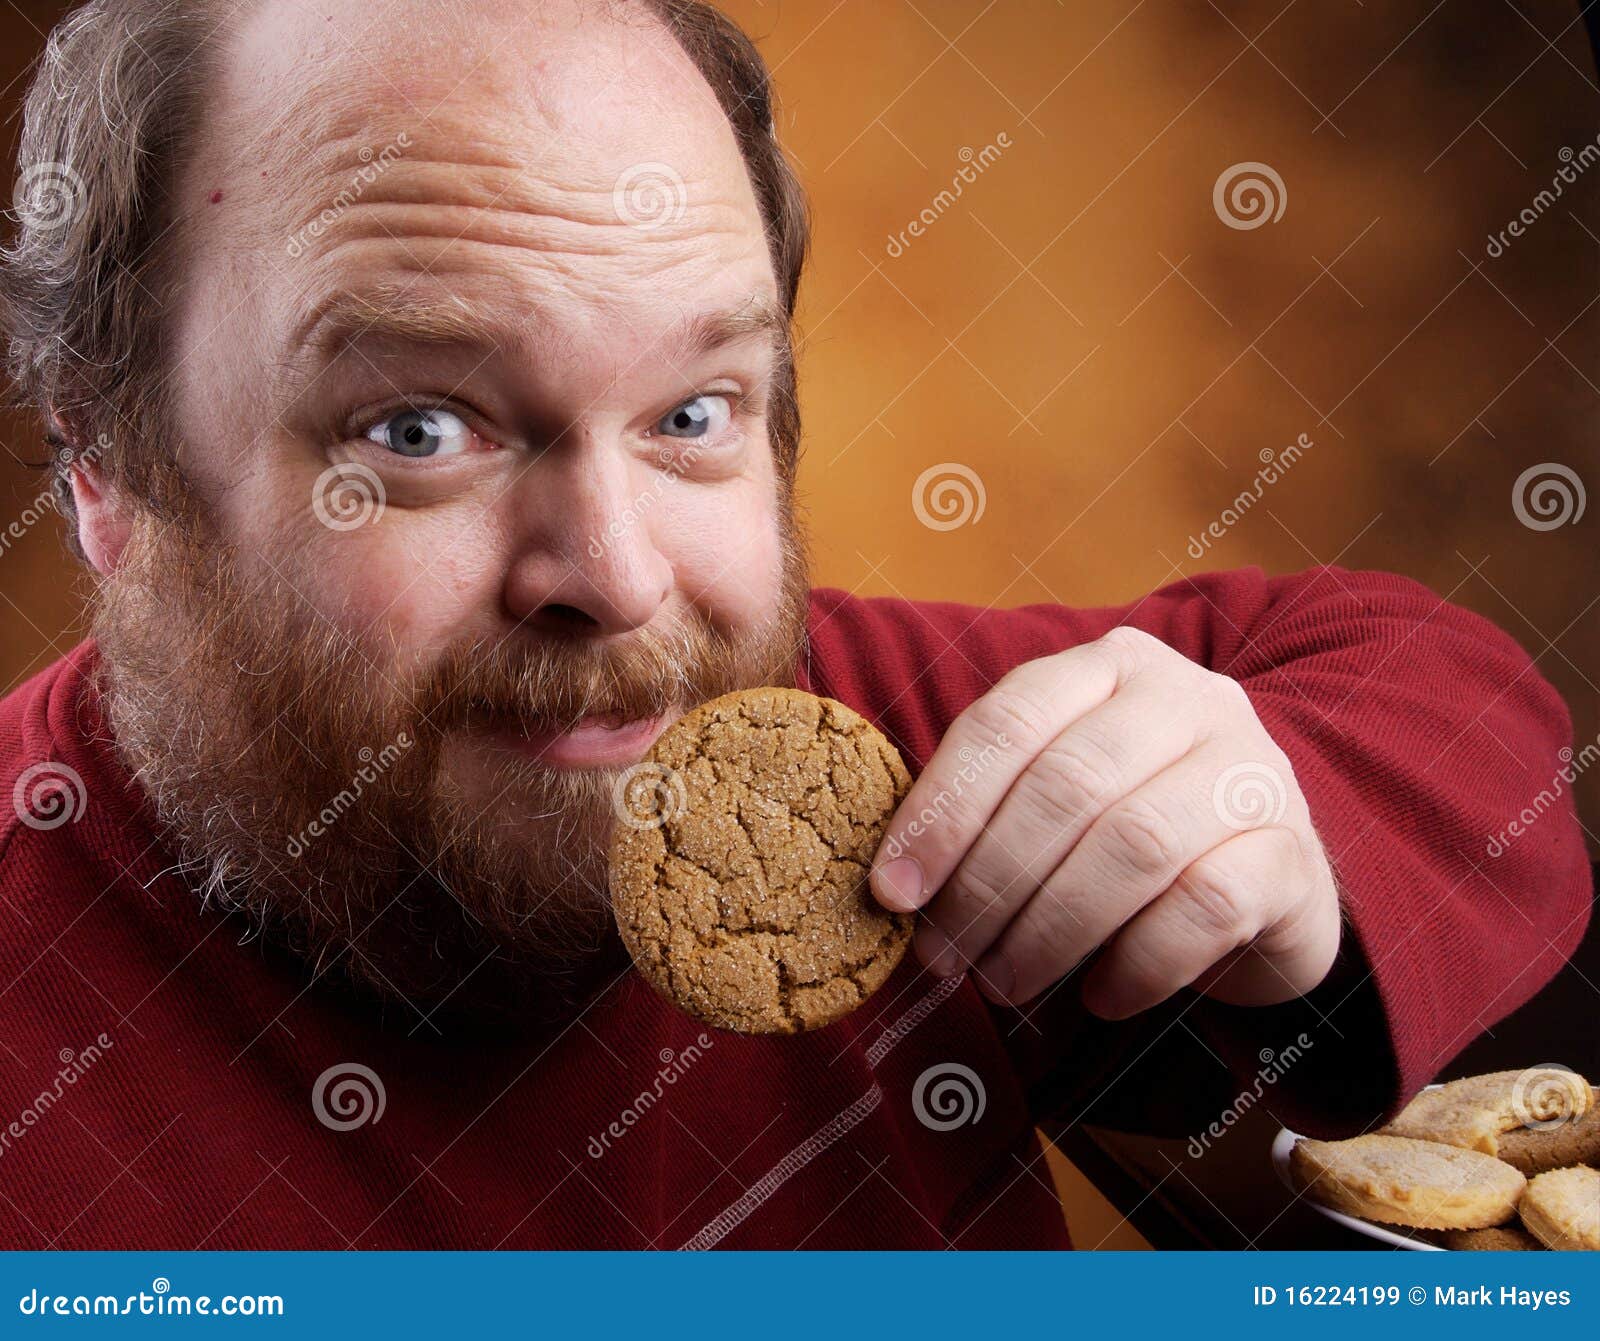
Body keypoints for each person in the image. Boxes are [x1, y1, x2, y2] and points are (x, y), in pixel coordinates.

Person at [0, 0, 1587, 1249]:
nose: (619, 577)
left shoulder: (887, 770)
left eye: (693, 410)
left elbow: (1441, 688)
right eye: (417, 430)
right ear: (105, 472)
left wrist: (1267, 809)